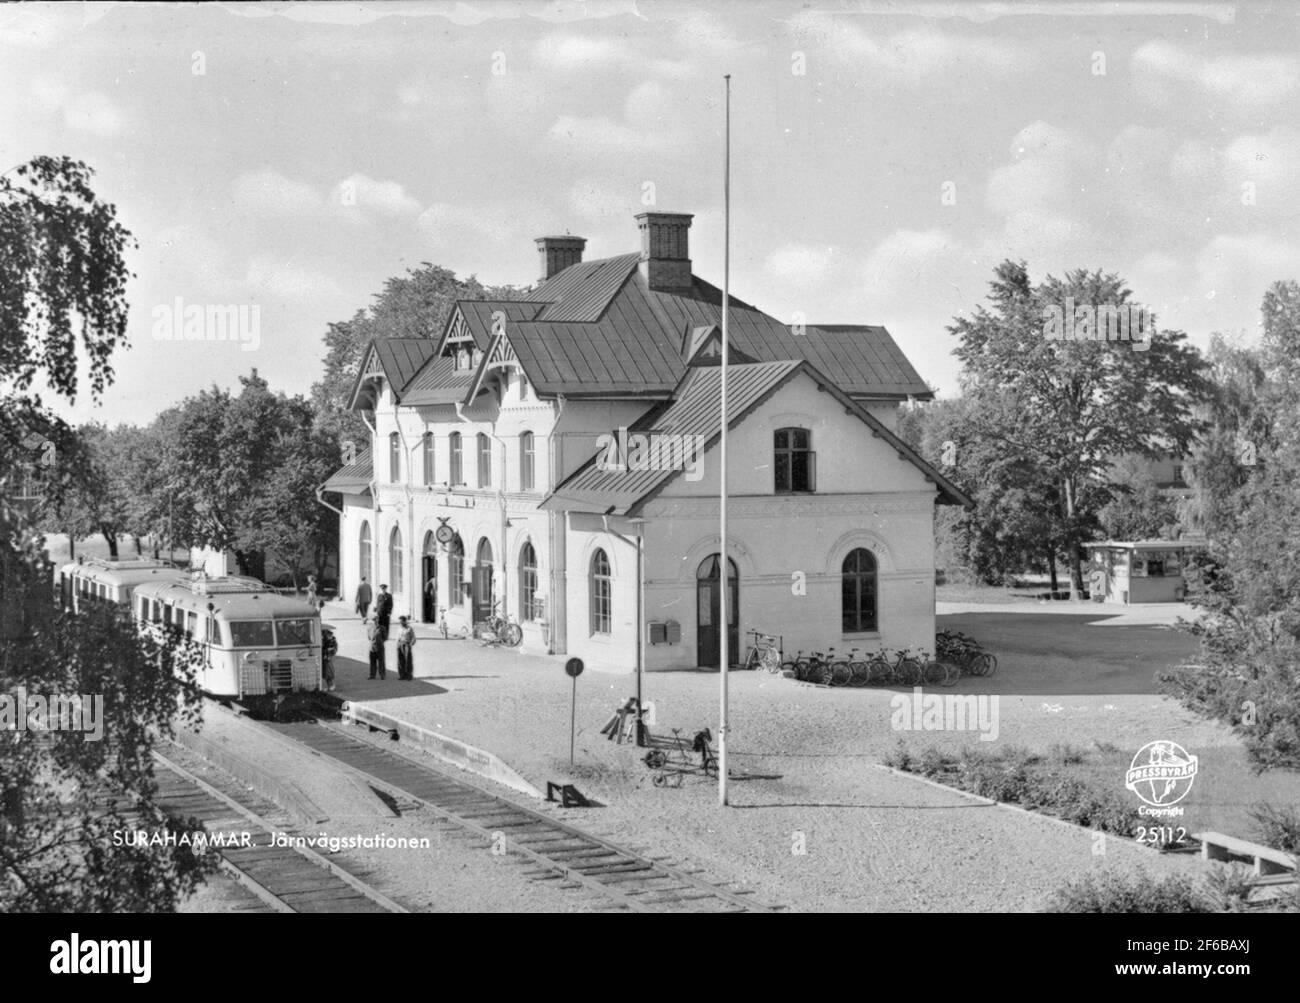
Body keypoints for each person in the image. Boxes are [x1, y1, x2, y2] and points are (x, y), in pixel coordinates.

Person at [396, 616, 416, 680]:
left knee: (408, 661)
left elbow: (413, 638)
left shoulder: (409, 628)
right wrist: (397, 644)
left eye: (402, 622)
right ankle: (402, 675)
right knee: (400, 660)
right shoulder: (399, 628)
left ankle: (409, 676)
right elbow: (398, 637)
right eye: (400, 622)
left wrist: (410, 644)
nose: (401, 623)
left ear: (405, 621)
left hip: (407, 644)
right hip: (400, 644)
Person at [321, 624, 337, 691]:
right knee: (325, 673)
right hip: (325, 658)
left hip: (328, 658)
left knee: (329, 673)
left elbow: (333, 649)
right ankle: (328, 686)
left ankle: (332, 685)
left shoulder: (332, 641)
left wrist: (328, 650)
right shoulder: (325, 640)